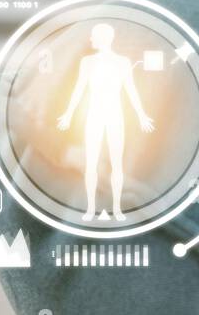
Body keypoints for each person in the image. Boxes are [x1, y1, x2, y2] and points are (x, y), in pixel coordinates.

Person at [56, 23, 156, 221]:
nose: (91, 40)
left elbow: (131, 90)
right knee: (92, 163)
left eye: (94, 36)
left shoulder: (122, 62)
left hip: (113, 116)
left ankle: (116, 208)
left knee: (116, 165)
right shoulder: (88, 62)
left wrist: (142, 115)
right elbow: (78, 89)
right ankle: (92, 208)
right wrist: (68, 114)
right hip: (96, 115)